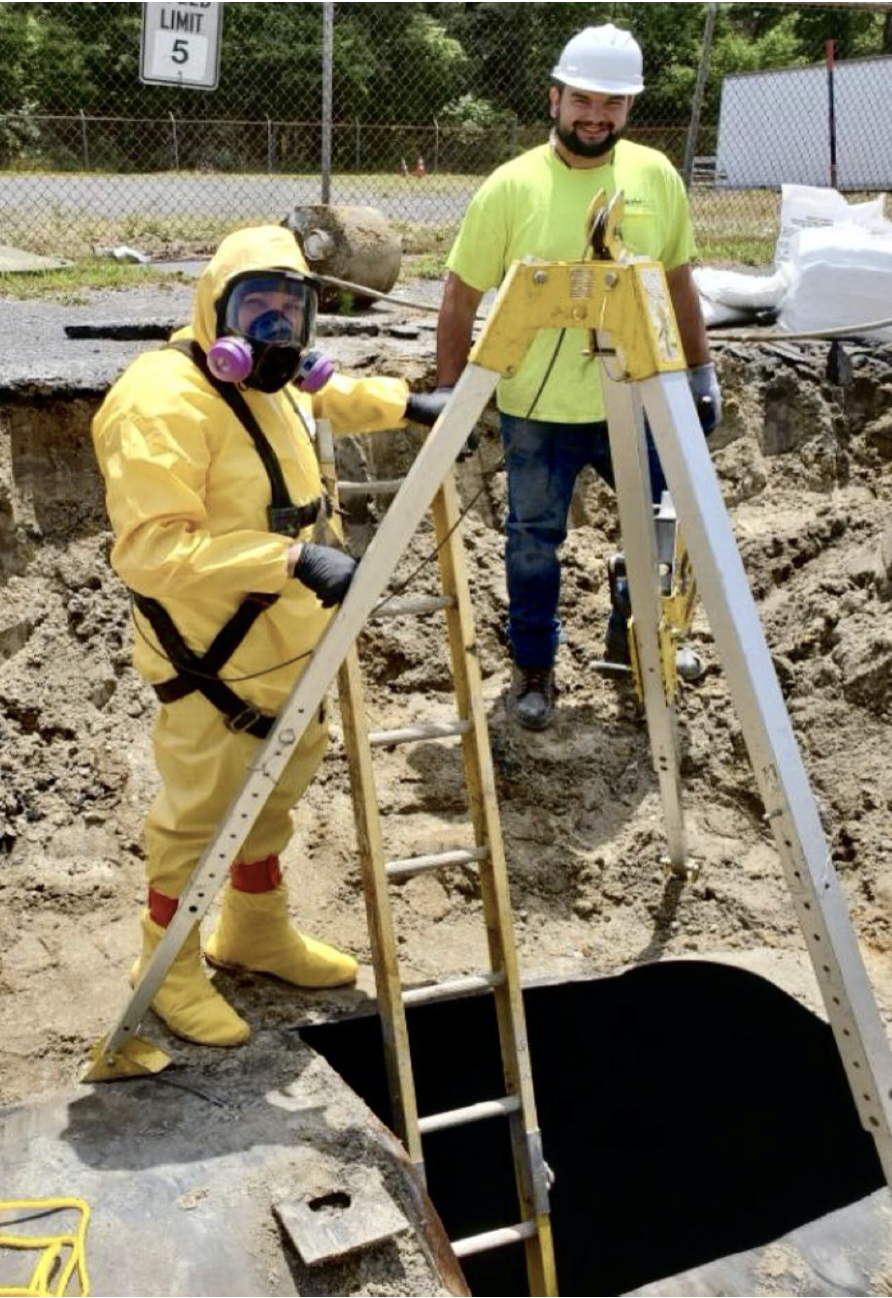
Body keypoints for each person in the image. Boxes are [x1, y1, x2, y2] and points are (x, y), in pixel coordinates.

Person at [92, 225, 439, 1047]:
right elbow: (149, 553)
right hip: (214, 660)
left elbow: (326, 393)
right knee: (201, 816)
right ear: (215, 310)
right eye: (259, 310)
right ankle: (168, 966)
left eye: (293, 312)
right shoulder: (162, 401)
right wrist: (291, 558)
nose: (276, 332)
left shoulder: (271, 382)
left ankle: (254, 929)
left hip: (292, 647)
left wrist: (409, 403)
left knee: (272, 797)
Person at [436, 23, 721, 731]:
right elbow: (460, 295)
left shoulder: (655, 176)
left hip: (640, 397)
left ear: (629, 109)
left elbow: (678, 282)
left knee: (652, 529)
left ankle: (640, 643)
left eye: (613, 105)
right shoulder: (512, 186)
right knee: (533, 540)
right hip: (538, 411)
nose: (596, 117)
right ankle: (535, 666)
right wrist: (451, 393)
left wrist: (700, 369)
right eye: (583, 101)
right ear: (556, 98)